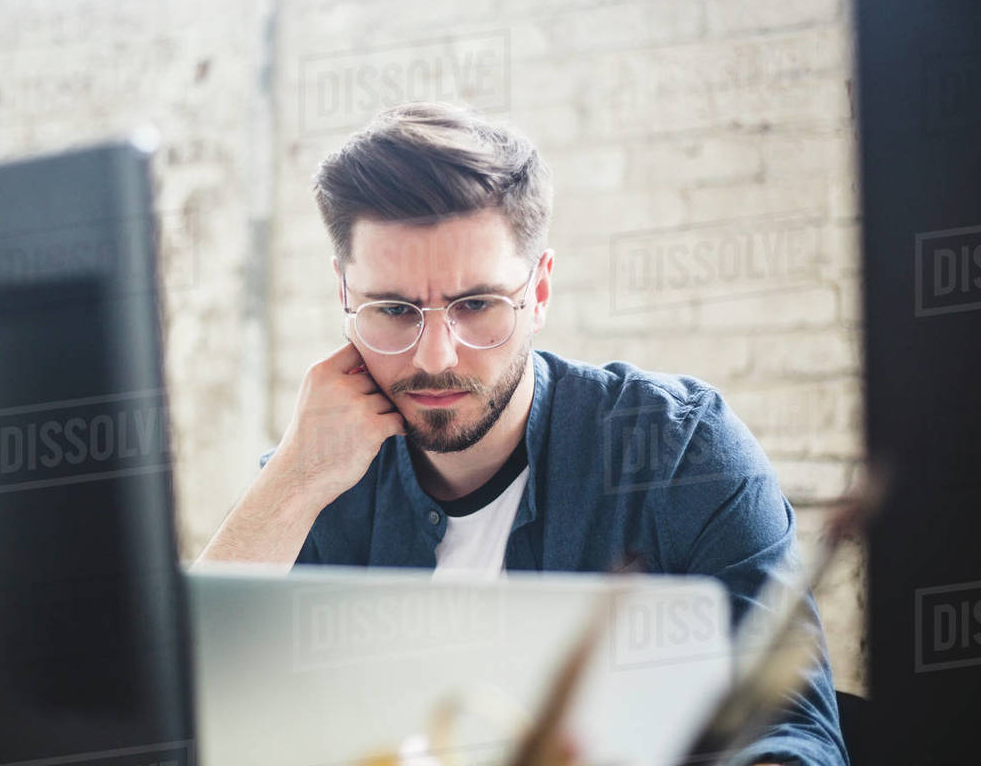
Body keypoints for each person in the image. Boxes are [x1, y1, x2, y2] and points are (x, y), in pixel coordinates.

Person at [196, 102, 849, 766]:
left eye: (475, 304)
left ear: (538, 291)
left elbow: (795, 734)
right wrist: (290, 485)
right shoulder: (315, 479)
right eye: (393, 310)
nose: (435, 357)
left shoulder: (680, 450)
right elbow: (178, 725)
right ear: (344, 293)